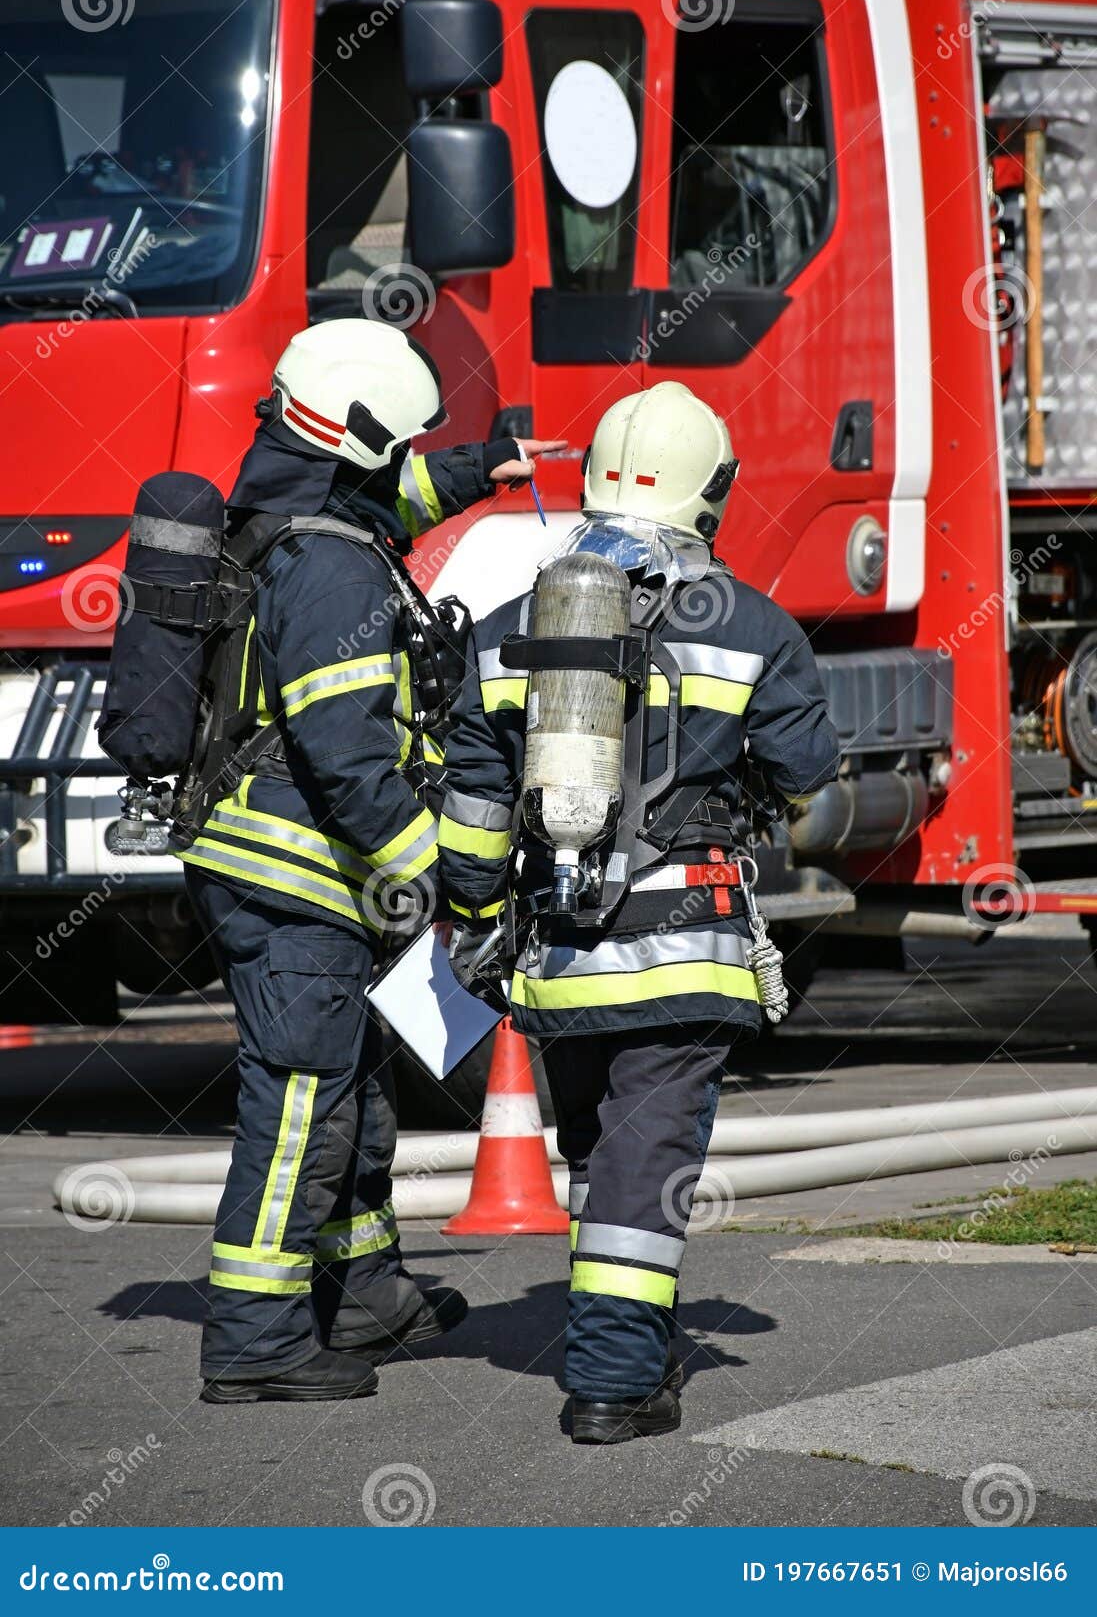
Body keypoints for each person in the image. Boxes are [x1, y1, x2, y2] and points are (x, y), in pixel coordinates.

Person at [436, 380, 839, 1442]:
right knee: (640, 1164)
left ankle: (630, 1345)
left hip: (560, 954)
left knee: (600, 1154)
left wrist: (471, 912)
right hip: (686, 949)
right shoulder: (751, 624)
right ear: (708, 489)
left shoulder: (508, 628)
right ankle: (614, 1383)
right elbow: (804, 771)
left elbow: (473, 807)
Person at [181, 317, 561, 1403]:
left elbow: (389, 499)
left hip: (295, 874)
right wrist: (431, 874)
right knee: (302, 1101)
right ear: (357, 438)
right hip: (292, 877)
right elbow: (345, 757)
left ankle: (363, 1295)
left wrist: (482, 467)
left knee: (352, 1089)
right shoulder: (335, 576)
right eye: (402, 443)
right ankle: (255, 1339)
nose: (408, 465)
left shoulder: (297, 506)